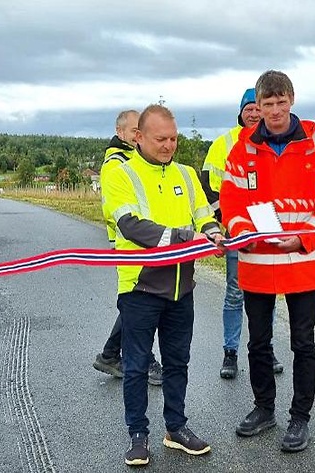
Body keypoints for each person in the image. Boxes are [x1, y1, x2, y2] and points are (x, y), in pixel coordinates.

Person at [220, 70, 315, 452]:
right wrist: (245, 231)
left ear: (292, 99)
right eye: (267, 104)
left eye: (281, 102)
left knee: (302, 344)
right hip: (257, 264)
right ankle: (263, 408)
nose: (274, 111)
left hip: (303, 262)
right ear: (256, 106)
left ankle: (300, 417)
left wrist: (304, 237)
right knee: (259, 343)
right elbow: (231, 202)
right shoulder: (241, 150)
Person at [102, 104, 223, 466]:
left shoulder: (186, 175)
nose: (169, 145)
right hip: (139, 287)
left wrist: (214, 234)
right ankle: (138, 435)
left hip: (181, 287)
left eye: (173, 138)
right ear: (138, 137)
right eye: (161, 139)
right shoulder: (119, 174)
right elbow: (130, 225)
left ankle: (177, 428)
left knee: (177, 361)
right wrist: (186, 238)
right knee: (137, 365)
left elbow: (204, 215)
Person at [200, 88, 284, 379]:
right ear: (241, 112)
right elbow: (209, 185)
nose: (253, 113)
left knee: (269, 292)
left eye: (257, 108)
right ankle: (230, 352)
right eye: (248, 108)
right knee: (235, 293)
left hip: (268, 230)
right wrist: (227, 219)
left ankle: (267, 348)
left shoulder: (275, 141)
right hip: (237, 231)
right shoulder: (224, 143)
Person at [92, 109, 163, 386]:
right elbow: (116, 211)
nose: (137, 135)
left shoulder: (133, 158)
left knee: (138, 300)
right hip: (131, 243)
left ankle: (111, 354)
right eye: (134, 130)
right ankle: (143, 360)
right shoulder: (116, 165)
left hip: (144, 241)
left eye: (140, 130)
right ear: (120, 132)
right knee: (140, 301)